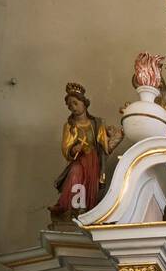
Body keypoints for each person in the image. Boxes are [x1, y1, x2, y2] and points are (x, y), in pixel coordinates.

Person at [51, 83, 123, 220]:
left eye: (75, 103)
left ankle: (86, 210)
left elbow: (104, 147)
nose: (73, 107)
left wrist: (115, 136)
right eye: (69, 105)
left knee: (91, 187)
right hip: (79, 160)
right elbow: (65, 147)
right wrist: (73, 149)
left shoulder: (97, 123)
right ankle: (68, 206)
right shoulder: (69, 126)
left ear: (84, 104)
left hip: (93, 161)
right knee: (75, 173)